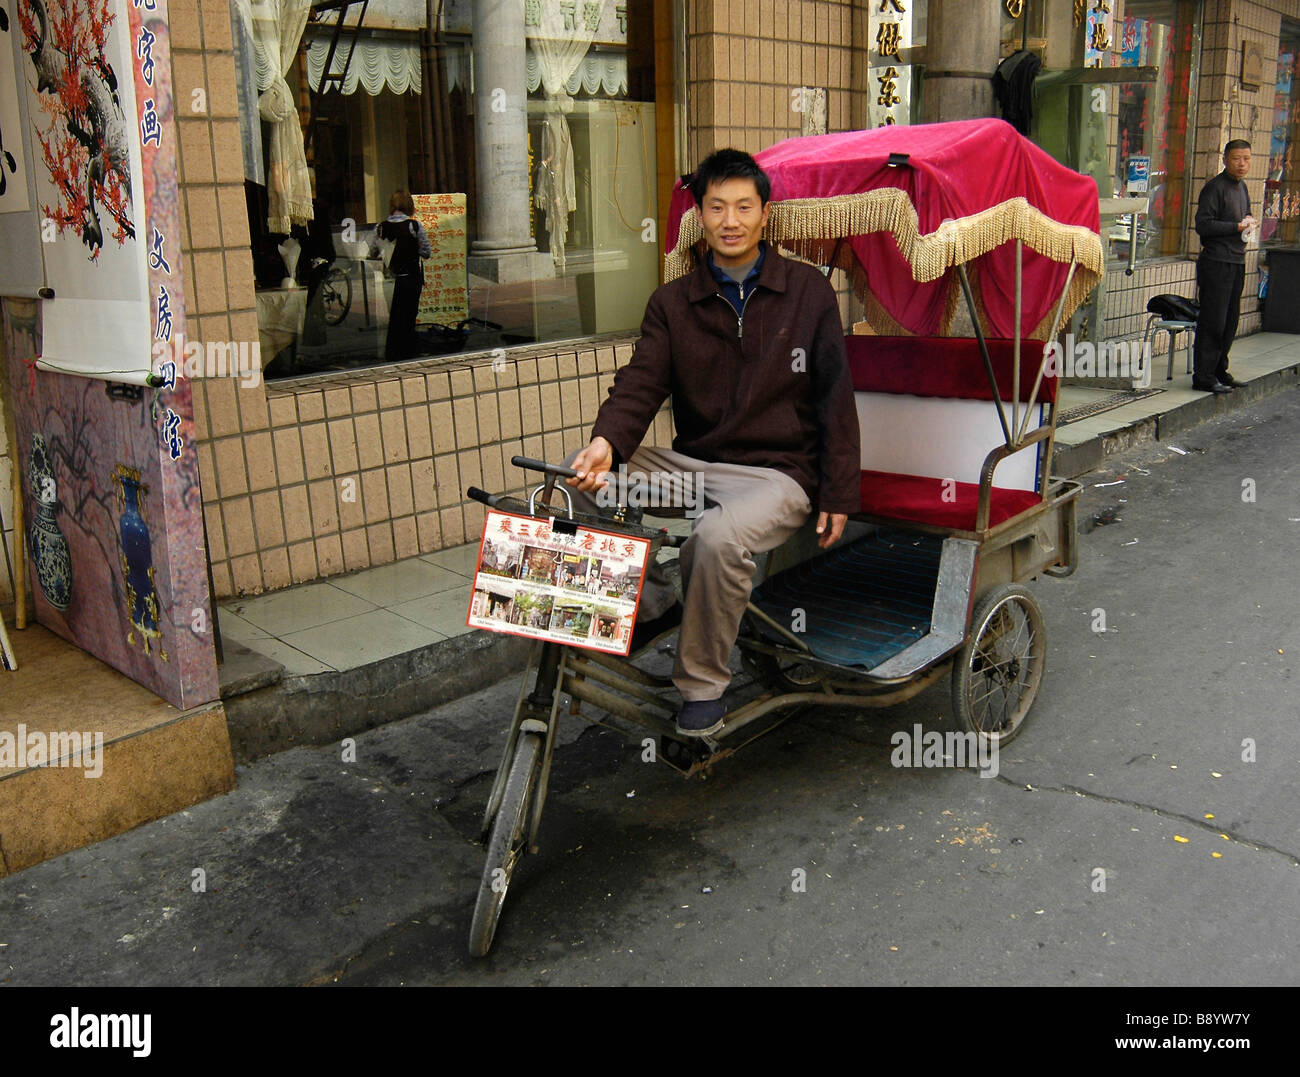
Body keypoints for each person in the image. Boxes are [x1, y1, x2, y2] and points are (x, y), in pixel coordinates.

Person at [565, 148, 861, 738]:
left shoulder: (807, 293)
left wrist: (839, 491)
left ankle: (701, 685)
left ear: (764, 214)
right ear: (699, 215)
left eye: (743, 207)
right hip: (695, 465)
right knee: (581, 488)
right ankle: (655, 608)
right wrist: (606, 443)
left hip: (779, 474)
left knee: (714, 537)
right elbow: (640, 382)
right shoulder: (673, 303)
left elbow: (835, 396)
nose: (731, 220)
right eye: (717, 206)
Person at [1193, 140, 1256, 393]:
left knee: (1230, 320)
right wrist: (1236, 227)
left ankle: (1220, 370)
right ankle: (1204, 377)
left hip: (1236, 260)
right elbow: (1203, 225)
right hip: (1216, 262)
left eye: (1247, 159)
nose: (1242, 164)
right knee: (1213, 321)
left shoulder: (1242, 188)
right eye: (1237, 158)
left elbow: (1243, 217)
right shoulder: (1214, 188)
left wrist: (1249, 223)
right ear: (1225, 159)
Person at [369, 190, 431, 362]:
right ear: (409, 205)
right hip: (411, 277)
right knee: (409, 315)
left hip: (389, 279)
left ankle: (393, 351)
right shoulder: (414, 226)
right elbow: (426, 252)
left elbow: (373, 252)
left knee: (394, 316)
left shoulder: (380, 227)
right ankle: (408, 351)